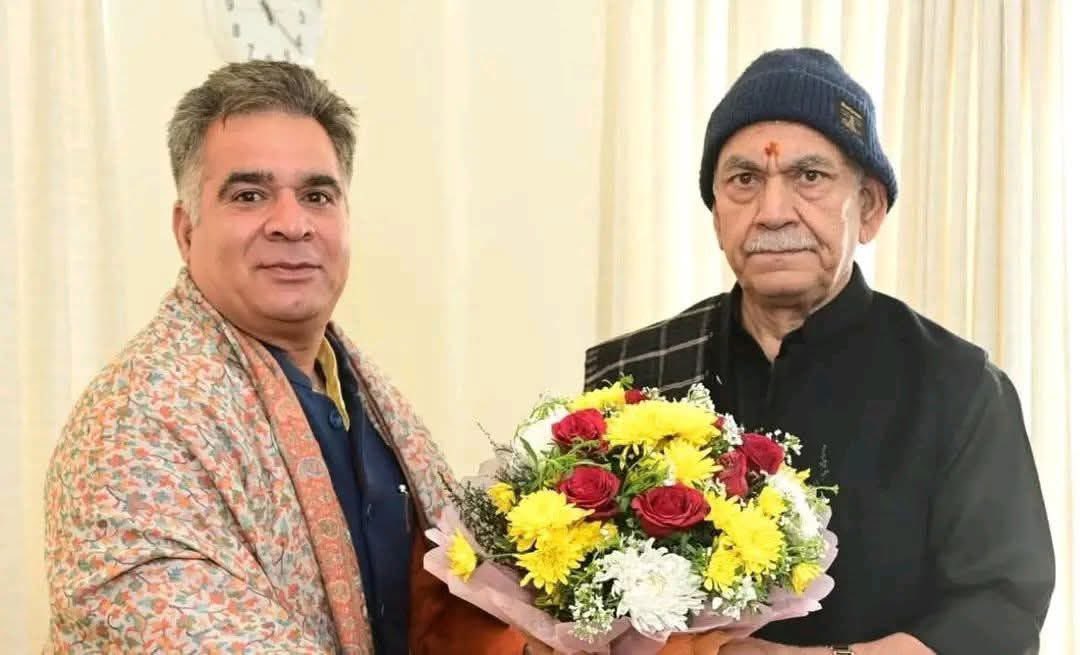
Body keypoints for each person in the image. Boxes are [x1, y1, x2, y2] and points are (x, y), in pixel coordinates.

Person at [583, 48, 1054, 655]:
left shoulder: (957, 386)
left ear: (870, 208)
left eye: (809, 177)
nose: (773, 212)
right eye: (744, 180)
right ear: (717, 214)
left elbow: (999, 613)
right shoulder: (633, 375)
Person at [44, 61, 523, 654]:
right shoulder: (135, 423)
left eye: (317, 195)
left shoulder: (360, 395)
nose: (292, 224)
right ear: (186, 230)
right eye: (250, 195)